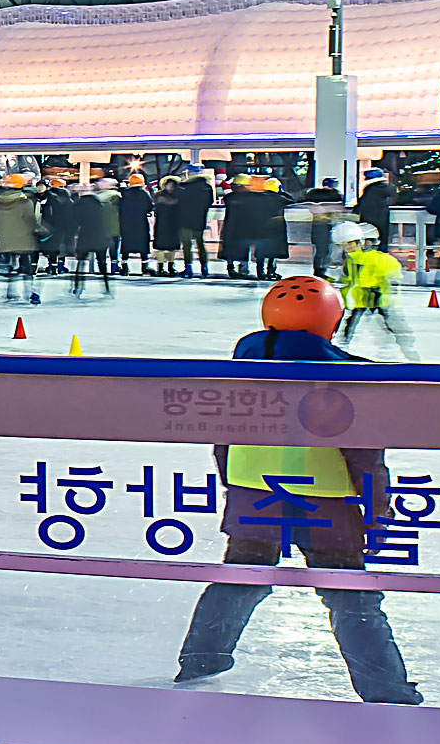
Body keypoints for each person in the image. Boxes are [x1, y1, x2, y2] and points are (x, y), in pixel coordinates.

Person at [169, 275, 425, 704]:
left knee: (240, 577)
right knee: (349, 595)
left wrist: (234, 486)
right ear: (330, 321)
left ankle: (200, 659)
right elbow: (364, 455)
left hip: (255, 492)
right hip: (325, 498)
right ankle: (386, 690)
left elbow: (222, 440)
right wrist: (377, 508)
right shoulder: (345, 377)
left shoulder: (241, 367)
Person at [330, 219, 410, 360]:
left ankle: (401, 343)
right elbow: (349, 280)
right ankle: (344, 341)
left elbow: (387, 274)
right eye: (343, 245)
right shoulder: (353, 260)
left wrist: (381, 289)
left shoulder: (374, 259)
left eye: (349, 244)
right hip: (362, 298)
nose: (346, 248)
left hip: (376, 296)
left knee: (387, 320)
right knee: (352, 321)